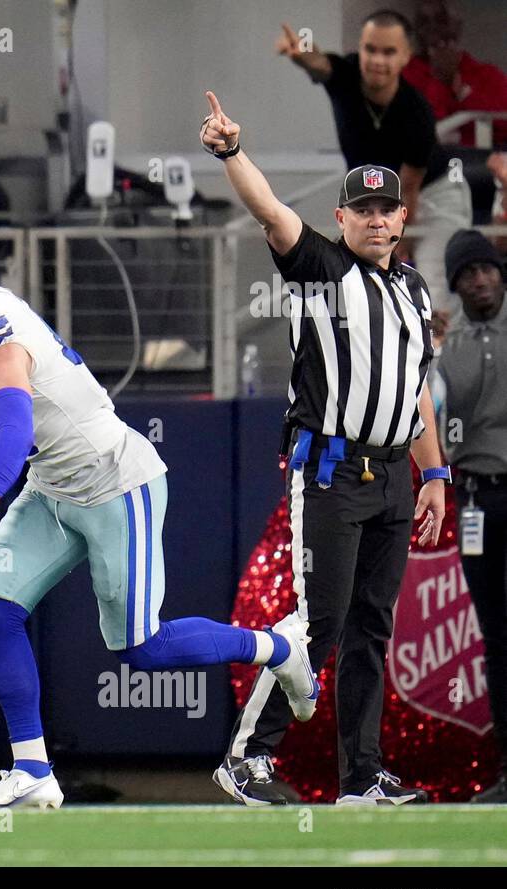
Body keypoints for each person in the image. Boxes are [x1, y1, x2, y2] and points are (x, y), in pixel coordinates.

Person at [0, 213, 322, 809]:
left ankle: (279, 648)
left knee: (144, 649)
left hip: (115, 483)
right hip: (55, 484)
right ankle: (33, 770)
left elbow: (14, 433)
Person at [202, 89, 449, 805]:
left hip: (396, 474)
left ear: (404, 216)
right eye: (362, 209)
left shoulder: (411, 289)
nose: (376, 218)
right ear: (341, 218)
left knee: (373, 627)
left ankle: (362, 777)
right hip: (334, 469)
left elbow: (416, 388)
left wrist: (434, 471)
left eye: (387, 208)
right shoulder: (318, 268)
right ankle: (247, 757)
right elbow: (269, 210)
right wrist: (230, 152)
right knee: (320, 621)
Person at [276, 8, 473, 309]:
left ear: (406, 56)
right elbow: (320, 64)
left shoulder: (416, 112)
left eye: (389, 52)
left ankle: (438, 349)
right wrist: (300, 55)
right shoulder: (346, 75)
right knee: (365, 285)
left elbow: (409, 190)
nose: (378, 60)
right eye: (371, 49)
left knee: (434, 286)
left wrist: (399, 245)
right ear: (361, 48)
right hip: (380, 200)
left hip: (433, 194)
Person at [435, 229, 507, 802]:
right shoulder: (447, 346)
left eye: (486, 269)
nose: (479, 280)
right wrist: (425, 348)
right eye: (467, 274)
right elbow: (426, 411)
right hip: (479, 497)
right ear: (456, 286)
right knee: (496, 639)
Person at [403, 0, 507, 148]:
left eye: (441, 20)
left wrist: (461, 90)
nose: (433, 28)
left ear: (457, 27)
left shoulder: (486, 74)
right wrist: (438, 79)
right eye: (424, 22)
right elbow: (419, 130)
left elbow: (503, 124)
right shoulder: (403, 76)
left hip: (480, 163)